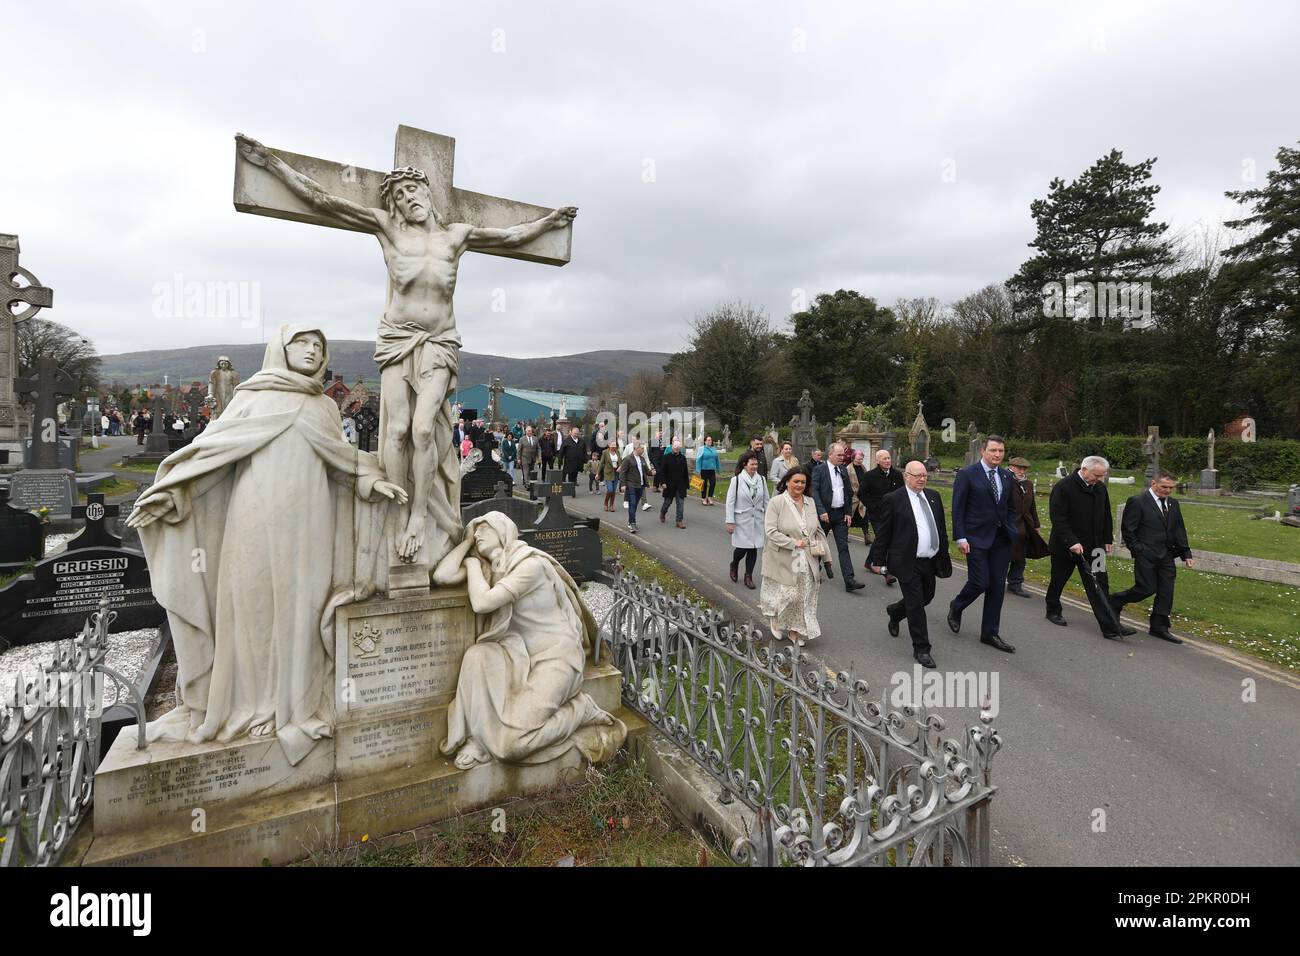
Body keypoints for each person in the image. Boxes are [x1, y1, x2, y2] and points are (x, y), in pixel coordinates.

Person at [125, 324, 407, 765]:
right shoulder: (251, 399)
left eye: (320, 346)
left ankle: (293, 705)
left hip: (310, 521)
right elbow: (209, 455)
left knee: (302, 608)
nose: (313, 351)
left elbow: (342, 462)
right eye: (303, 343)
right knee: (251, 605)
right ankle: (246, 702)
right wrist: (170, 493)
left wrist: (372, 481)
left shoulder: (324, 409)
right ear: (281, 348)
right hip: (252, 517)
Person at [432, 511, 623, 769]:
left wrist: (472, 564)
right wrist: (467, 545)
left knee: (511, 745)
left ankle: (580, 711)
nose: (476, 534)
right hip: (519, 652)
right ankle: (479, 736)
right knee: (477, 656)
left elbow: (482, 603)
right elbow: (441, 576)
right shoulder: (493, 568)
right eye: (473, 530)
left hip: (557, 657)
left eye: (482, 528)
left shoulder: (529, 566)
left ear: (502, 531)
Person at [867, 461, 952, 669]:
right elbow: (884, 532)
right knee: (915, 603)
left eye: (924, 475)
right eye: (917, 475)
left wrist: (943, 552)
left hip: (929, 560)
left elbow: (940, 528)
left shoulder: (934, 496)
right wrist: (877, 561)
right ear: (906, 476)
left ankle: (895, 612)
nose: (922, 479)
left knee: (927, 597)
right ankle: (922, 648)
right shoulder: (894, 500)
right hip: (906, 561)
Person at [1044, 455, 1135, 639]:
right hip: (1067, 547)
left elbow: (1106, 515)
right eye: (1096, 475)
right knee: (1059, 580)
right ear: (1084, 470)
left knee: (1100, 585)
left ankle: (1110, 626)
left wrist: (1107, 538)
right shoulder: (1064, 487)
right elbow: (1059, 519)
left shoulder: (1100, 488)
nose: (1099, 479)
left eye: (1102, 476)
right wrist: (1072, 542)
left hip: (1096, 548)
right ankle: (1053, 610)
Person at [948, 435, 1018, 653]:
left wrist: (1011, 527)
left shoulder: (1007, 476)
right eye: (993, 450)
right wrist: (961, 537)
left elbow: (1011, 506)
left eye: (1001, 451)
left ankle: (990, 633)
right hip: (975, 538)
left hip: (1001, 540)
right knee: (980, 582)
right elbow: (957, 508)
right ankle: (956, 606)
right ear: (983, 451)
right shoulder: (968, 474)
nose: (997, 455)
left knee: (997, 587)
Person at [1110, 470, 1195, 643]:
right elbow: (1128, 530)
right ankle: (1116, 601)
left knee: (1166, 591)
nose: (1168, 491)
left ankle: (1159, 627)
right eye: (1164, 486)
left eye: (1171, 487)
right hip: (1146, 555)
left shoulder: (1173, 504)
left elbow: (1179, 529)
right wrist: (1140, 550)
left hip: (1167, 555)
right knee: (1146, 589)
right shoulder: (1138, 501)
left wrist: (1186, 553)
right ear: (1153, 483)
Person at [761, 466, 828, 647]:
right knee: (787, 595)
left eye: (803, 482)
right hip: (782, 556)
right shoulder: (777, 502)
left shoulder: (810, 502)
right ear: (787, 482)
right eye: (796, 481)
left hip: (806, 557)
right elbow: (771, 531)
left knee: (803, 594)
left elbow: (817, 530)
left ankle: (794, 630)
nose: (799, 485)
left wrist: (826, 556)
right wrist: (793, 543)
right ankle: (775, 618)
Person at [810, 442, 865, 593]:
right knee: (820, 547)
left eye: (843, 455)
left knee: (843, 547)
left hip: (840, 514)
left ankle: (849, 580)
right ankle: (814, 571)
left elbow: (848, 492)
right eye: (839, 455)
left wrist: (848, 512)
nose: (842, 457)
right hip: (825, 515)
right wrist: (821, 511)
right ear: (830, 455)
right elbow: (815, 491)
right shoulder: (819, 470)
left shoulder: (843, 470)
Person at [1006, 456, 1048, 597]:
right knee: (1005, 556)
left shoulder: (1028, 484)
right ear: (1011, 466)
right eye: (1019, 468)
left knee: (1020, 558)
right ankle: (997, 583)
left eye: (1024, 468)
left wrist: (1036, 525)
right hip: (1009, 526)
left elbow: (1032, 507)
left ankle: (1015, 584)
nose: (1021, 471)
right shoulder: (1006, 481)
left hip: (1025, 527)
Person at [726, 451, 768, 589]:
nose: (755, 466)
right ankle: (734, 563)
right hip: (741, 520)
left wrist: (769, 518)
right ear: (745, 465)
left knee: (754, 548)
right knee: (742, 548)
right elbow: (730, 502)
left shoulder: (761, 480)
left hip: (757, 519)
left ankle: (748, 576)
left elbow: (766, 500)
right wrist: (730, 521)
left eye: (756, 464)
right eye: (752, 464)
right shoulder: (736, 480)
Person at [862, 449, 904, 584]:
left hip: (893, 514)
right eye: (884, 459)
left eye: (888, 458)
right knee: (884, 540)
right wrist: (872, 506)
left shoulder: (897, 475)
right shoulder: (870, 475)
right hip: (877, 515)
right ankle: (887, 572)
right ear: (878, 461)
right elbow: (861, 494)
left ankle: (869, 562)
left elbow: (902, 492)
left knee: (881, 539)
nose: (887, 461)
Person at [617, 439, 654, 533]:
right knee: (632, 503)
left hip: (640, 486)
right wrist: (623, 484)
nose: (643, 450)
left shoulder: (642, 459)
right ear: (636, 448)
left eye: (643, 448)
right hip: (631, 485)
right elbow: (622, 472)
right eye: (642, 448)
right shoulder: (628, 459)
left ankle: (630, 521)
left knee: (635, 505)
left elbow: (646, 471)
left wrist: (651, 472)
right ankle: (632, 524)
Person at [657, 438, 690, 528]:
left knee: (680, 504)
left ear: (679, 448)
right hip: (669, 484)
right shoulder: (666, 457)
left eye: (677, 447)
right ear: (672, 447)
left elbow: (685, 472)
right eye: (674, 447)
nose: (676, 448)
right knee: (667, 503)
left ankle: (679, 521)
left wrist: (687, 484)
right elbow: (662, 471)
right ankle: (663, 513)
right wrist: (663, 482)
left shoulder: (682, 458)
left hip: (680, 485)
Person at [598, 439, 622, 512]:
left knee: (614, 491)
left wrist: (620, 467)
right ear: (609, 445)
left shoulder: (617, 452)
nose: (613, 446)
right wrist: (598, 473)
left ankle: (611, 505)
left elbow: (620, 462)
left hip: (616, 473)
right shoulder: (605, 452)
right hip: (608, 473)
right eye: (612, 445)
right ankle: (606, 503)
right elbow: (601, 463)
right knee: (610, 489)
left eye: (615, 445)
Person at [695, 434, 720, 505]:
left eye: (711, 440)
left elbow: (717, 459)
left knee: (713, 483)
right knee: (704, 484)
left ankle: (709, 497)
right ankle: (703, 498)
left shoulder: (714, 449)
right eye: (708, 440)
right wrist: (698, 470)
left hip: (712, 469)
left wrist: (718, 468)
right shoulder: (701, 449)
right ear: (705, 441)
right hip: (704, 469)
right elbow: (698, 460)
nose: (710, 441)